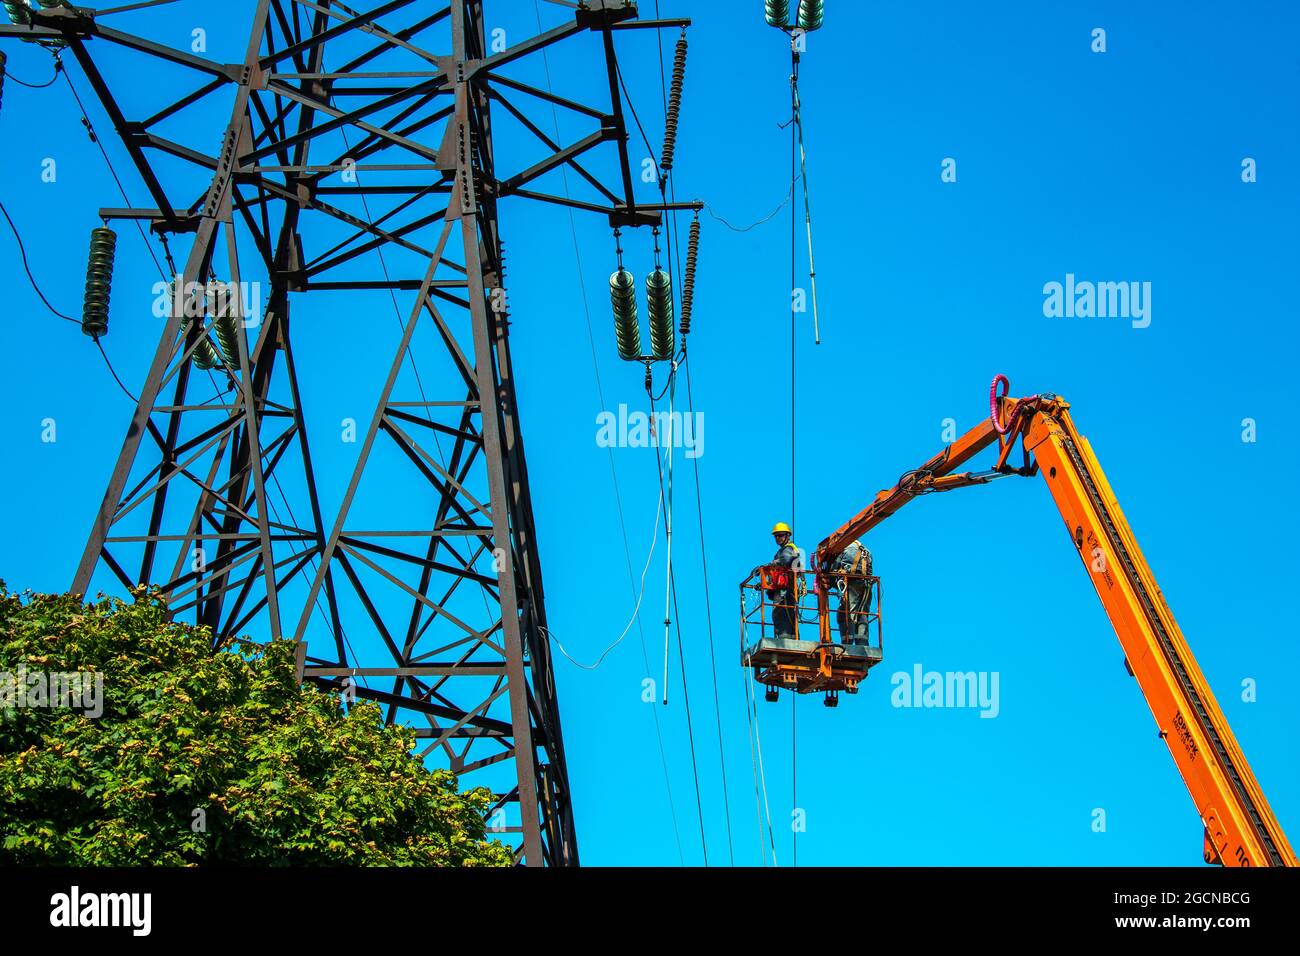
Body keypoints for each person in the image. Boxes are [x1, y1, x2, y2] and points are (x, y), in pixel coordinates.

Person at [766, 521, 803, 639]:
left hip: (785, 590)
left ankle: (785, 639)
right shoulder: (783, 550)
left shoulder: (788, 549)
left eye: (780, 535)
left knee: (781, 613)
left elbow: (785, 560)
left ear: (787, 536)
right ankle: (790, 638)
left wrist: (769, 564)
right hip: (786, 589)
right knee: (786, 614)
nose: (777, 538)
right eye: (776, 536)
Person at [834, 538, 873, 645]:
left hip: (851, 584)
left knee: (845, 613)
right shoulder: (866, 551)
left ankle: (847, 642)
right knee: (862, 614)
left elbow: (833, 570)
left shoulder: (845, 549)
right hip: (866, 586)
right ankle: (862, 642)